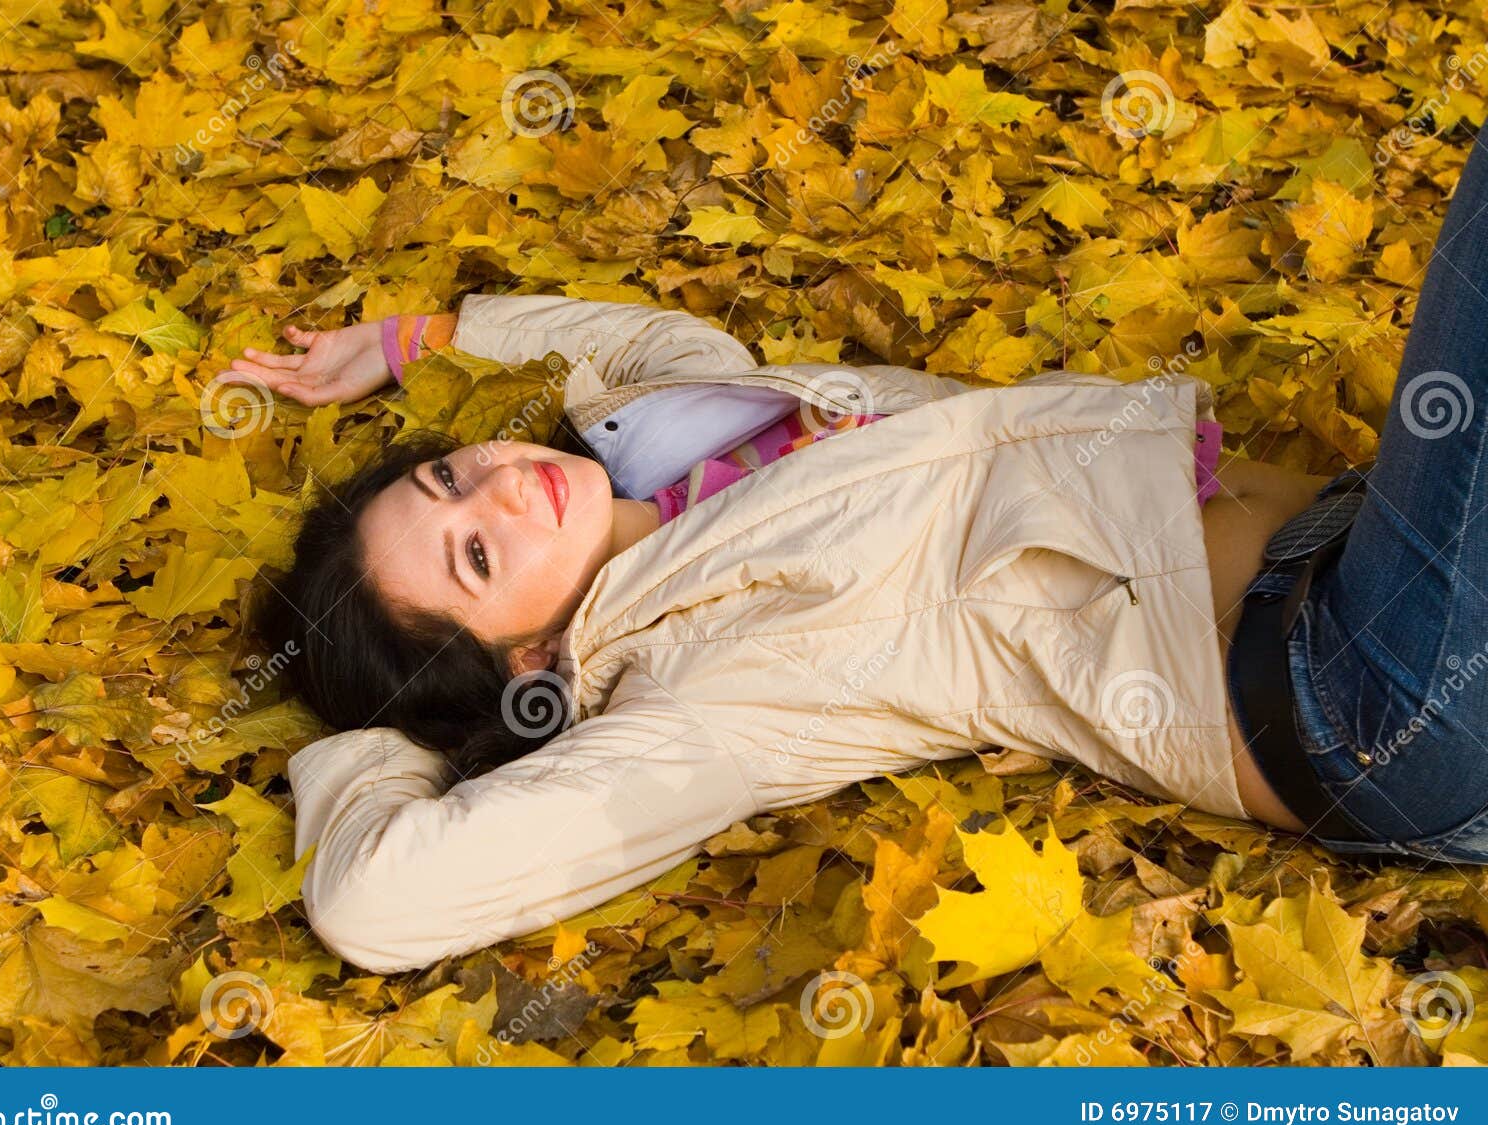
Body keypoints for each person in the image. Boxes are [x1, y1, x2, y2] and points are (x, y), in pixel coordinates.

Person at [237, 130, 1481, 973]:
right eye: (472, 558)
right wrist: (393, 730)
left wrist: (415, 337)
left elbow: (635, 336)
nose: (503, 490)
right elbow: (374, 901)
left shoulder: (684, 433)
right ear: (532, 654)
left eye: (449, 472)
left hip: (1359, 535)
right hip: (1366, 692)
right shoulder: (703, 687)